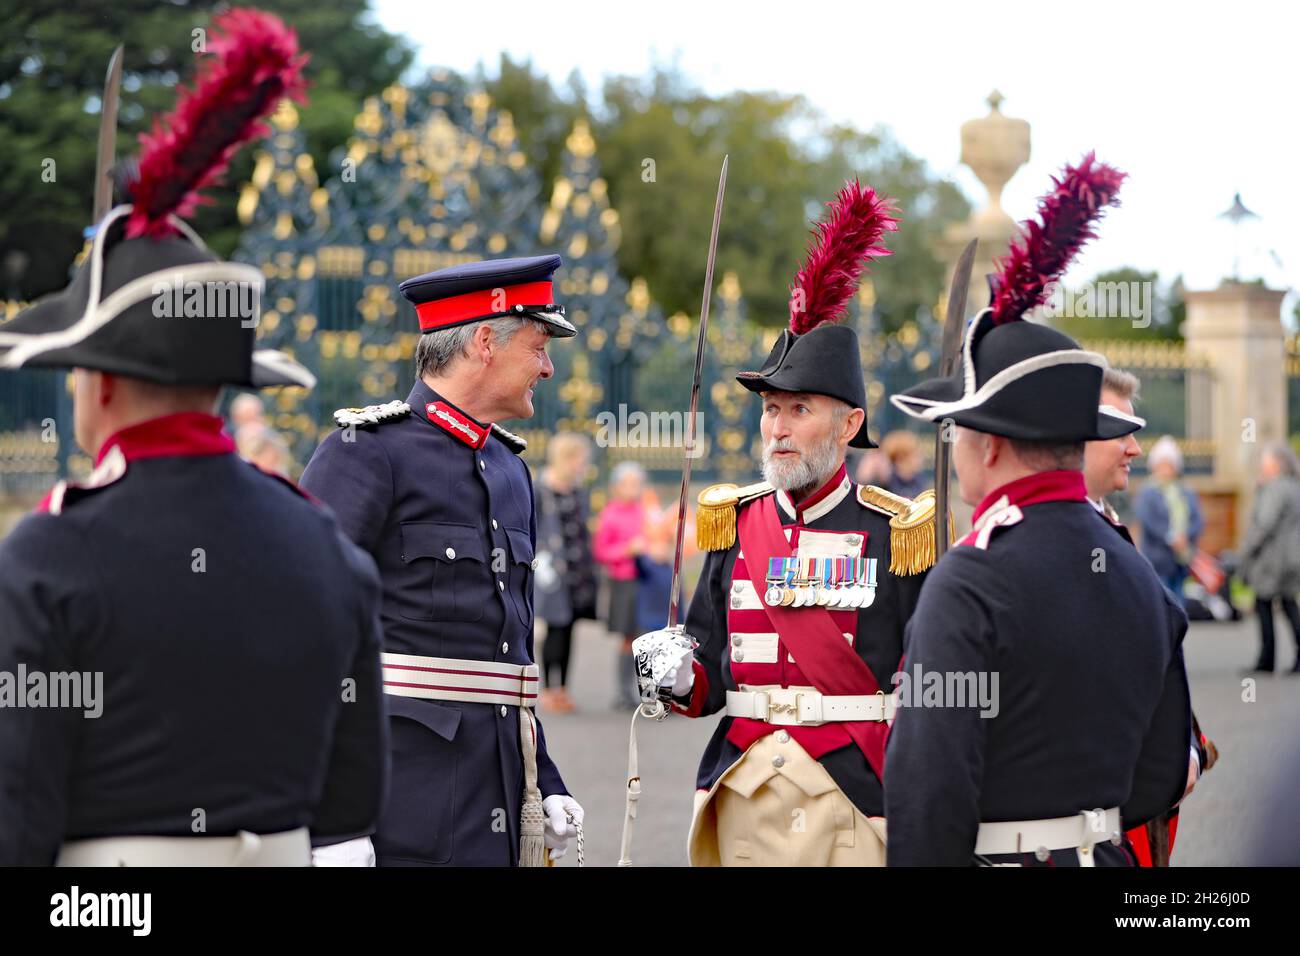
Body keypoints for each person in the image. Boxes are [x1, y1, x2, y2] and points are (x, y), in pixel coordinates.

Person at [0, 9, 387, 866]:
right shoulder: (321, 541)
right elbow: (353, 795)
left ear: (96, 385)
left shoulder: (52, 549)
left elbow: (17, 813)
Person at [885, 153, 1192, 866]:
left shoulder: (971, 579)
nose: (953, 446)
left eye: (956, 429)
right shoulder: (1133, 566)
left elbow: (929, 791)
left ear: (990, 445)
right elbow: (1160, 774)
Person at [636, 180, 938, 866]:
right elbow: (712, 670)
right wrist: (679, 677)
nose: (776, 427)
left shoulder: (899, 531)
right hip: (742, 788)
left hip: (853, 790)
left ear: (850, 423)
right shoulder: (734, 522)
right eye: (771, 409)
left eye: (799, 409)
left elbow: (928, 685)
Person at [300, 253, 584, 866]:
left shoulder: (512, 470)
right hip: (397, 803)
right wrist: (330, 823)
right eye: (538, 347)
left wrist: (547, 780)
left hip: (502, 793)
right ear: (485, 340)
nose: (549, 368)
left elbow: (507, 656)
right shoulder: (365, 453)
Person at [1083, 367, 1215, 866]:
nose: (1135, 448)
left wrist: (1185, 745)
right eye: (1123, 430)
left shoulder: (1105, 522)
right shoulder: (1070, 533)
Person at [535, 431, 598, 713]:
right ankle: (549, 688)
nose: (583, 465)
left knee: (571, 627)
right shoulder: (540, 488)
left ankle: (564, 689)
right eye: (580, 459)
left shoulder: (577, 490)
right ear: (567, 458)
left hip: (577, 569)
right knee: (554, 628)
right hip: (552, 570)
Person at [593, 461, 650, 708]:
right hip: (624, 581)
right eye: (626, 483)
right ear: (616, 487)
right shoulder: (610, 513)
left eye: (636, 483)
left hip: (647, 580)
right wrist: (627, 550)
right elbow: (601, 552)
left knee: (648, 636)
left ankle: (650, 692)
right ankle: (624, 691)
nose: (632, 488)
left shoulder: (646, 511)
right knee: (629, 637)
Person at [1239, 443, 1300, 673]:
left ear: (1277, 465)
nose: (1262, 467)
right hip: (1291, 558)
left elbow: (1264, 524)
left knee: (1264, 605)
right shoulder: (1294, 486)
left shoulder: (1275, 489)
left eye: (1266, 462)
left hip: (1273, 561)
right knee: (1288, 604)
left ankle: (1266, 660)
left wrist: (1246, 550)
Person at [1134, 435, 1204, 604]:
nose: (1166, 469)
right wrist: (1170, 538)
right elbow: (1148, 520)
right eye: (1162, 464)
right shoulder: (1147, 492)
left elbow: (1197, 519)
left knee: (1179, 602)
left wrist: (1184, 537)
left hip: (1181, 559)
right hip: (1157, 559)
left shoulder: (1186, 492)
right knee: (1161, 602)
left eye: (1170, 464)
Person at [880, 429, 930, 499]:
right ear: (900, 457)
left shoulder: (919, 481)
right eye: (916, 454)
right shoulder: (886, 481)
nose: (920, 458)